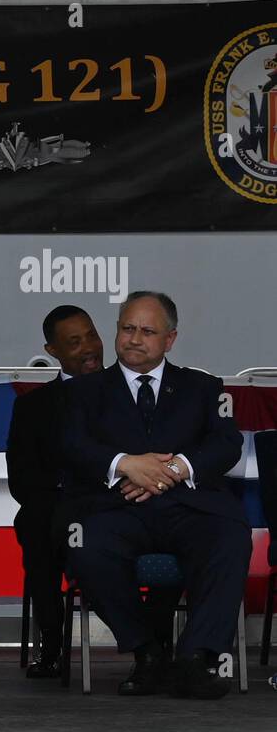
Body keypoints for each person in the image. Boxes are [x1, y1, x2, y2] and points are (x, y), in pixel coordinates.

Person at [62, 291, 249, 698]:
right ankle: (147, 652)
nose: (134, 338)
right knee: (84, 544)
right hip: (118, 507)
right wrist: (125, 464)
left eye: (148, 331)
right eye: (127, 328)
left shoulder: (204, 387)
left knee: (230, 535)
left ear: (170, 339)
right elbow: (72, 446)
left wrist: (173, 470)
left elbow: (227, 444)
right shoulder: (83, 391)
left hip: (188, 506)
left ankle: (196, 658)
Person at [7, 305, 179, 678]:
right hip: (61, 505)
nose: (89, 348)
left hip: (133, 499)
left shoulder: (134, 390)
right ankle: (53, 644)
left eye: (92, 336)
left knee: (180, 519)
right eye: (74, 341)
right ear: (52, 350)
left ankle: (156, 637)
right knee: (37, 525)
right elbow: (21, 479)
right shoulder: (32, 407)